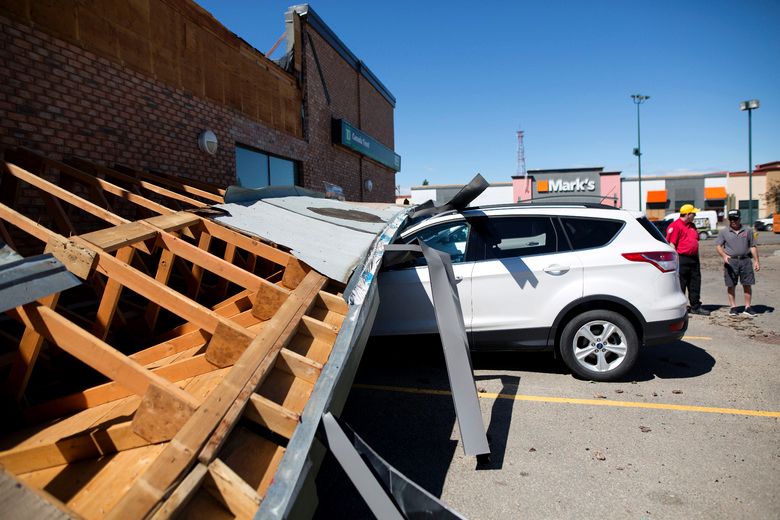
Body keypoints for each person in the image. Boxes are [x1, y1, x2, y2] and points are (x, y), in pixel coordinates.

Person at [666, 204, 710, 315]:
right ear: (687, 214)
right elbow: (672, 244)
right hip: (682, 258)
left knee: (695, 282)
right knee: (681, 284)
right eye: (693, 213)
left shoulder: (692, 225)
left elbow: (695, 240)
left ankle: (695, 306)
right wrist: (675, 261)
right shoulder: (675, 226)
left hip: (694, 258)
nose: (695, 215)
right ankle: (681, 308)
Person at [715, 209, 760, 316]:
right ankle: (733, 307)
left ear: (739, 218)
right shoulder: (724, 232)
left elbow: (753, 246)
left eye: (735, 219)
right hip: (731, 262)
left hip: (745, 260)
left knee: (747, 284)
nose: (733, 221)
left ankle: (748, 307)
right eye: (731, 219)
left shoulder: (748, 231)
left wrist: (756, 261)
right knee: (731, 284)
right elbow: (718, 246)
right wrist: (724, 256)